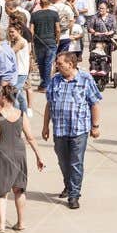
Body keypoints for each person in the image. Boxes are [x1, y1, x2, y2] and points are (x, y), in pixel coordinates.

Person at [41, 51, 102, 209]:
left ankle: (74, 194)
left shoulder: (85, 79)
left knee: (76, 162)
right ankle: (68, 185)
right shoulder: (55, 80)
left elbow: (94, 103)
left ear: (70, 64)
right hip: (59, 130)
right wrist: (45, 126)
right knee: (63, 162)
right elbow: (49, 104)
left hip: (79, 130)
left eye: (60, 63)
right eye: (57, 63)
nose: (57, 66)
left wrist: (95, 126)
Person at [0, 83, 44, 233]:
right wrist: (39, 156)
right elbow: (30, 137)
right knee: (19, 189)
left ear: (4, 96)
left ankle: (1, 226)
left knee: (1, 192)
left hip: (3, 153)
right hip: (19, 153)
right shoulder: (21, 114)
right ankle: (21, 222)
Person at [29, 0, 61, 88]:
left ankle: (44, 83)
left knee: (41, 63)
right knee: (48, 63)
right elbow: (58, 29)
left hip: (39, 41)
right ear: (49, 3)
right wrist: (57, 39)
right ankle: (46, 84)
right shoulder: (54, 14)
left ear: (40, 4)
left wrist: (32, 42)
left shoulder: (34, 15)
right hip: (51, 40)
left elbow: (31, 30)